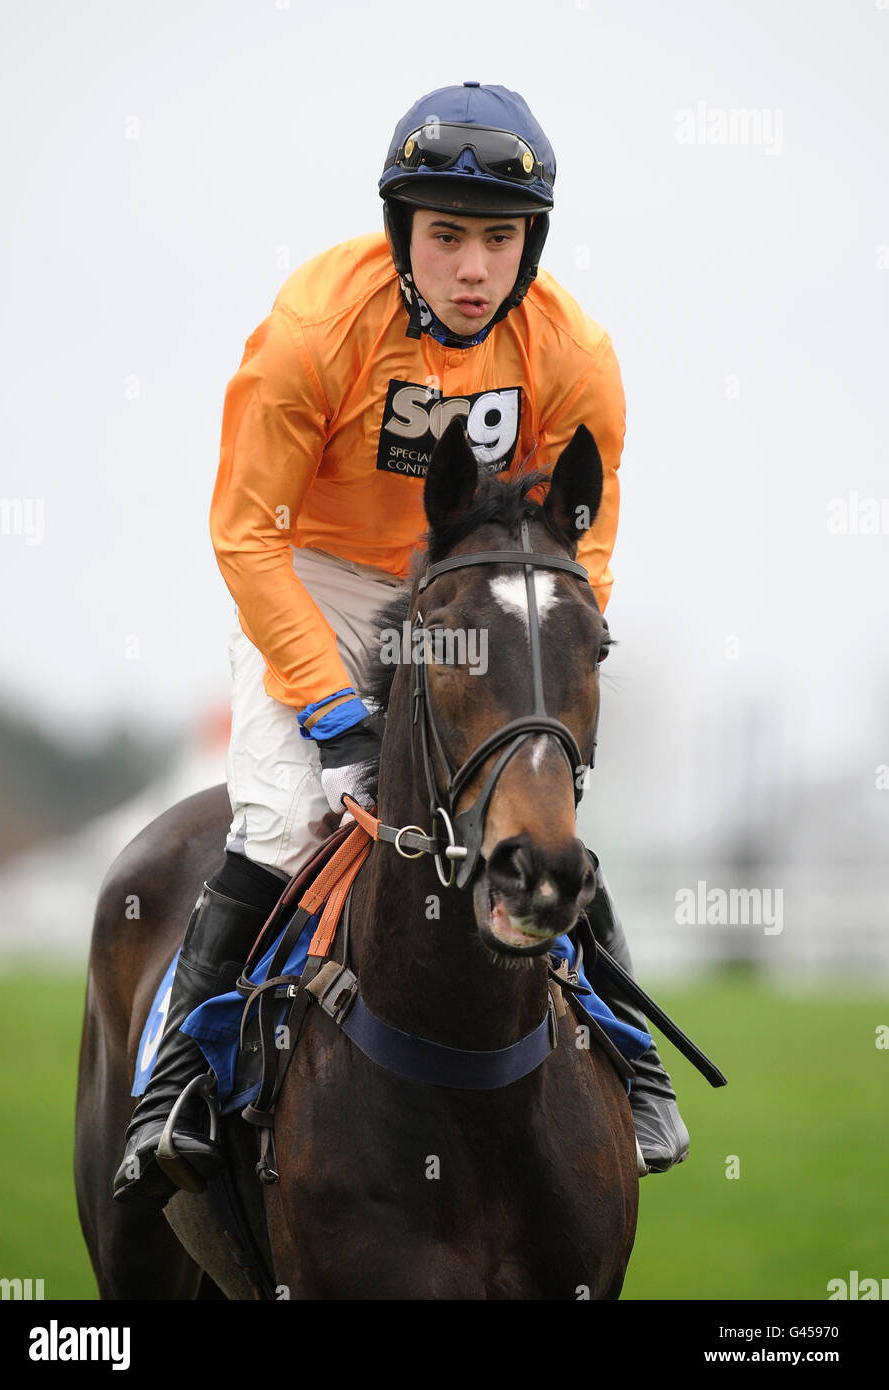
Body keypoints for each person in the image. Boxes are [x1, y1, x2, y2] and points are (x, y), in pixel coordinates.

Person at [113, 81, 688, 1207]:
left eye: (499, 239)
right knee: (283, 824)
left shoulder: (574, 352)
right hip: (314, 571)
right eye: (446, 236)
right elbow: (243, 532)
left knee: (533, 811)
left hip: (464, 584)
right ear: (401, 234)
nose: (472, 269)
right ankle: (174, 1083)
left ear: (530, 246)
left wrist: (549, 674)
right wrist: (327, 699)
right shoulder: (313, 329)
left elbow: (588, 545)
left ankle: (628, 1051)